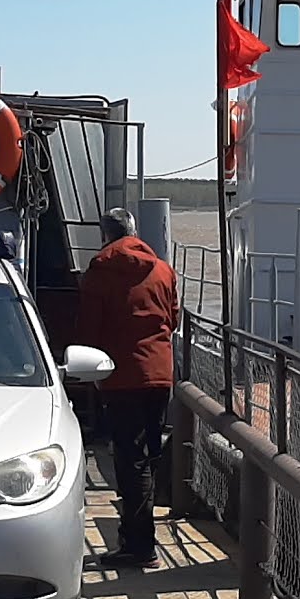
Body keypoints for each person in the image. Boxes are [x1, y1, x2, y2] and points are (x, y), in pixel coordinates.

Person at [77, 207, 179, 569]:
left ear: (105, 234)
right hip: (160, 374)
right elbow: (173, 318)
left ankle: (139, 545)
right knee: (149, 455)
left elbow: (89, 327)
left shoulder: (101, 269)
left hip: (122, 377)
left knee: (130, 459)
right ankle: (142, 538)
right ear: (134, 233)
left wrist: (88, 368)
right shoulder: (163, 270)